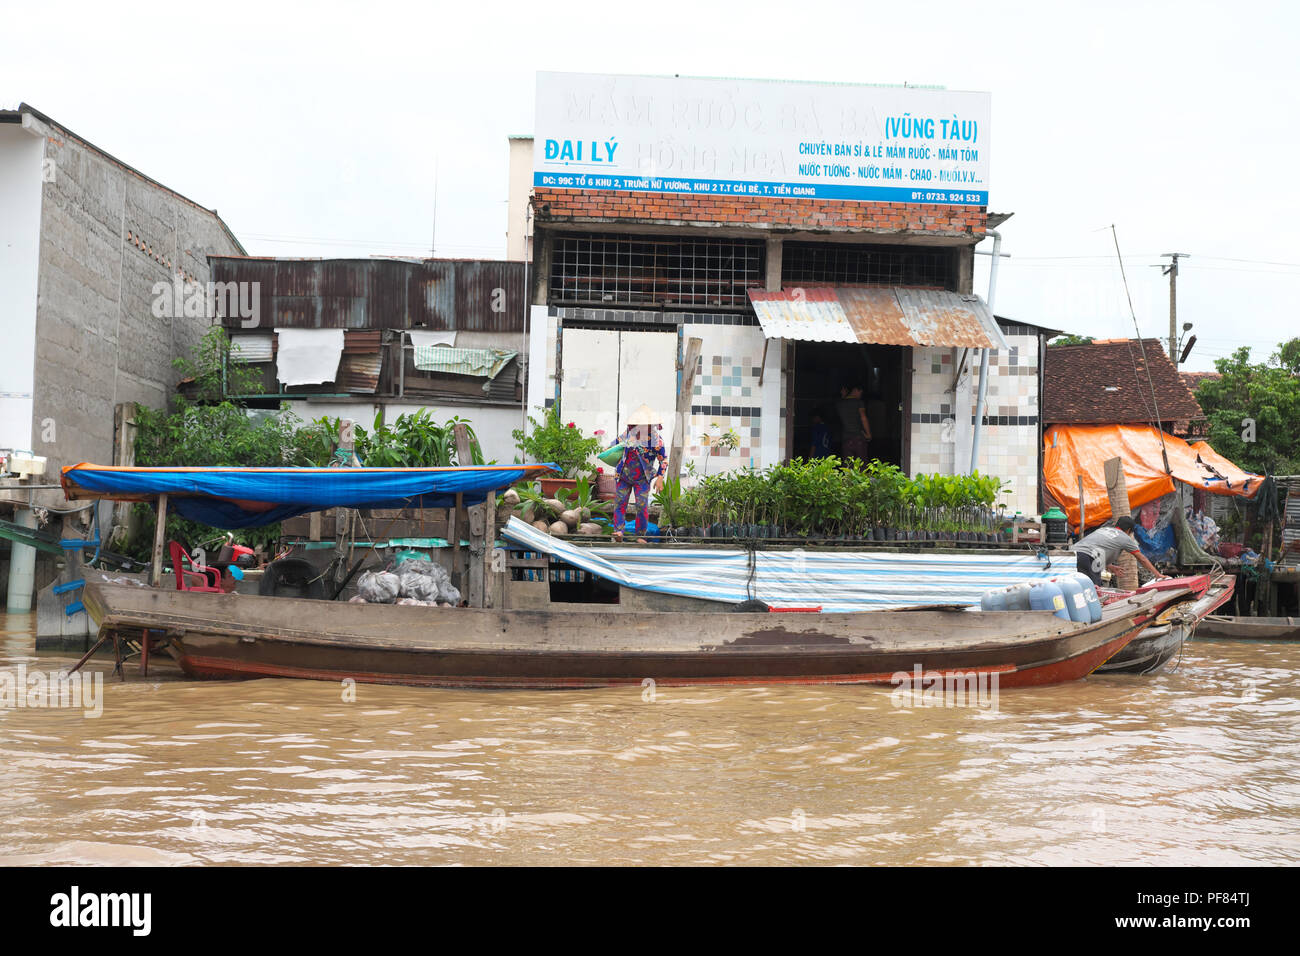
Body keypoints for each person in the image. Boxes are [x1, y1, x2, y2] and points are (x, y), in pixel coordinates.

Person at [609, 404, 666, 543]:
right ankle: (618, 531)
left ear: (651, 425)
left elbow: (663, 460)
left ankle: (641, 535)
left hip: (642, 479)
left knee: (642, 506)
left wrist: (660, 477)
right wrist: (608, 452)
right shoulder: (628, 435)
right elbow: (614, 446)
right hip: (624, 476)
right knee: (620, 503)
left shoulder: (657, 441)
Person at [1071, 515, 1169, 586]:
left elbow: (1094, 548)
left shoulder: (1104, 529)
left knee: (1076, 586)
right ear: (1129, 530)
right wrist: (1157, 574)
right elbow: (1142, 558)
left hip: (1070, 555)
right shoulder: (1124, 537)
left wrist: (1110, 566)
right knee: (1094, 589)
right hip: (1087, 558)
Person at [836, 384, 872, 463]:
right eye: (860, 393)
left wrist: (844, 395)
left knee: (848, 466)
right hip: (859, 438)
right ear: (855, 390)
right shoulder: (859, 402)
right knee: (861, 465)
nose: (860, 395)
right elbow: (863, 418)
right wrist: (868, 434)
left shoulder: (839, 404)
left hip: (846, 439)